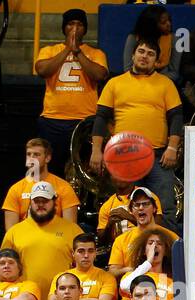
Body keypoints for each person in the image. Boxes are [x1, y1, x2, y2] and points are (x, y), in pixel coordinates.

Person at [90, 40, 183, 222]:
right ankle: (127, 249)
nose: (144, 56)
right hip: (123, 158)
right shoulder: (114, 83)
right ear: (133, 55)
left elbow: (176, 117)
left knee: (165, 210)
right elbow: (101, 117)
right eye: (141, 51)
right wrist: (96, 150)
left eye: (150, 54)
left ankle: (168, 250)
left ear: (156, 61)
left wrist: (172, 148)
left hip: (159, 158)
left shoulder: (166, 84)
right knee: (125, 209)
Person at [33, 9, 108, 177]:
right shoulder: (49, 50)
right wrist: (67, 49)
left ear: (85, 29)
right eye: (71, 24)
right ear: (64, 28)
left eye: (80, 24)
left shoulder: (96, 53)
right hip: (52, 120)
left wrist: (77, 52)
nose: (75, 28)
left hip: (84, 120)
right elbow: (42, 70)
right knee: (51, 170)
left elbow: (99, 75)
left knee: (85, 171)